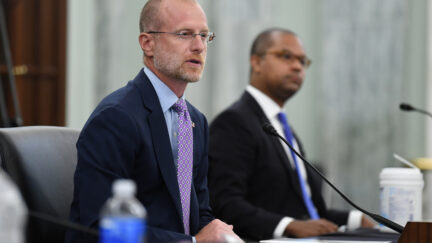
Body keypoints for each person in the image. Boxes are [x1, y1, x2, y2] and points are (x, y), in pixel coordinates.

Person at [66, 0, 241, 242]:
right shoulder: (116, 118)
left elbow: (198, 213)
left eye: (204, 35)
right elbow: (96, 229)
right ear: (148, 43)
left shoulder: (195, 120)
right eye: (185, 34)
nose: (199, 46)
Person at [208, 28, 374, 241]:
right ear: (256, 62)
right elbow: (225, 202)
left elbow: (311, 214)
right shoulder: (234, 122)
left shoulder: (282, 127)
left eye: (303, 61)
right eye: (286, 56)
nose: (297, 66)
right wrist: (288, 226)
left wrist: (355, 219)